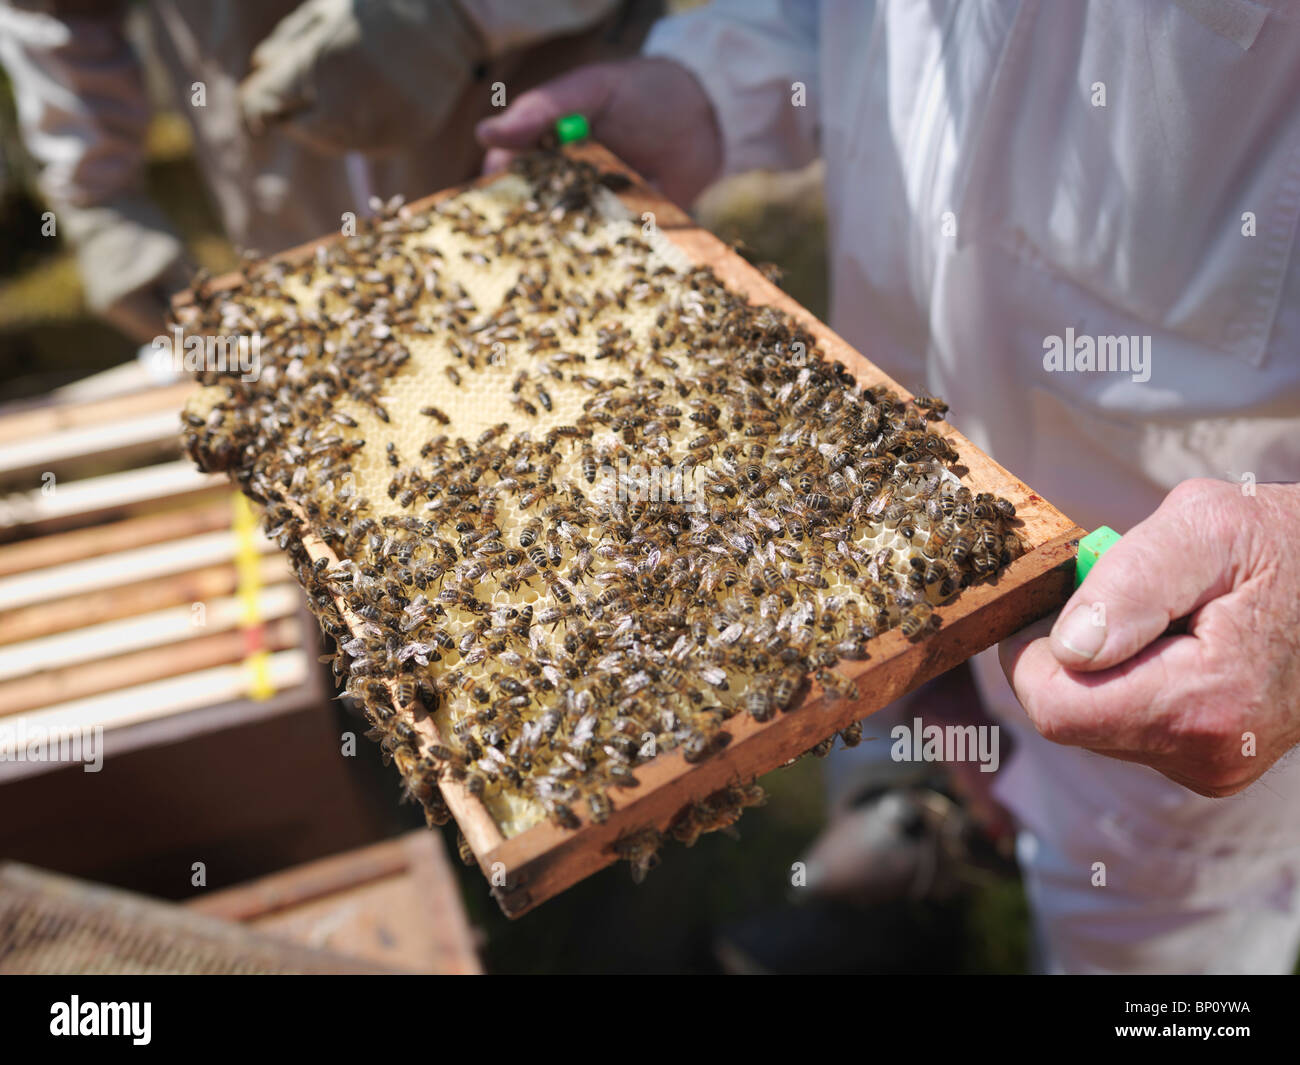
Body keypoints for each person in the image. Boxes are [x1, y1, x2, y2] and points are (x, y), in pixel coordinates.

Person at [477, 0, 1300, 974]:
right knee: (871, 717)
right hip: (867, 491)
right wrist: (709, 86)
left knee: (1142, 938)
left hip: (1179, 609)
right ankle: (924, 850)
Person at [0, 0, 659, 343]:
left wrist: (462, 12)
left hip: (525, 89)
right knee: (335, 389)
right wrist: (95, 186)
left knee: (597, 322)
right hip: (266, 132)